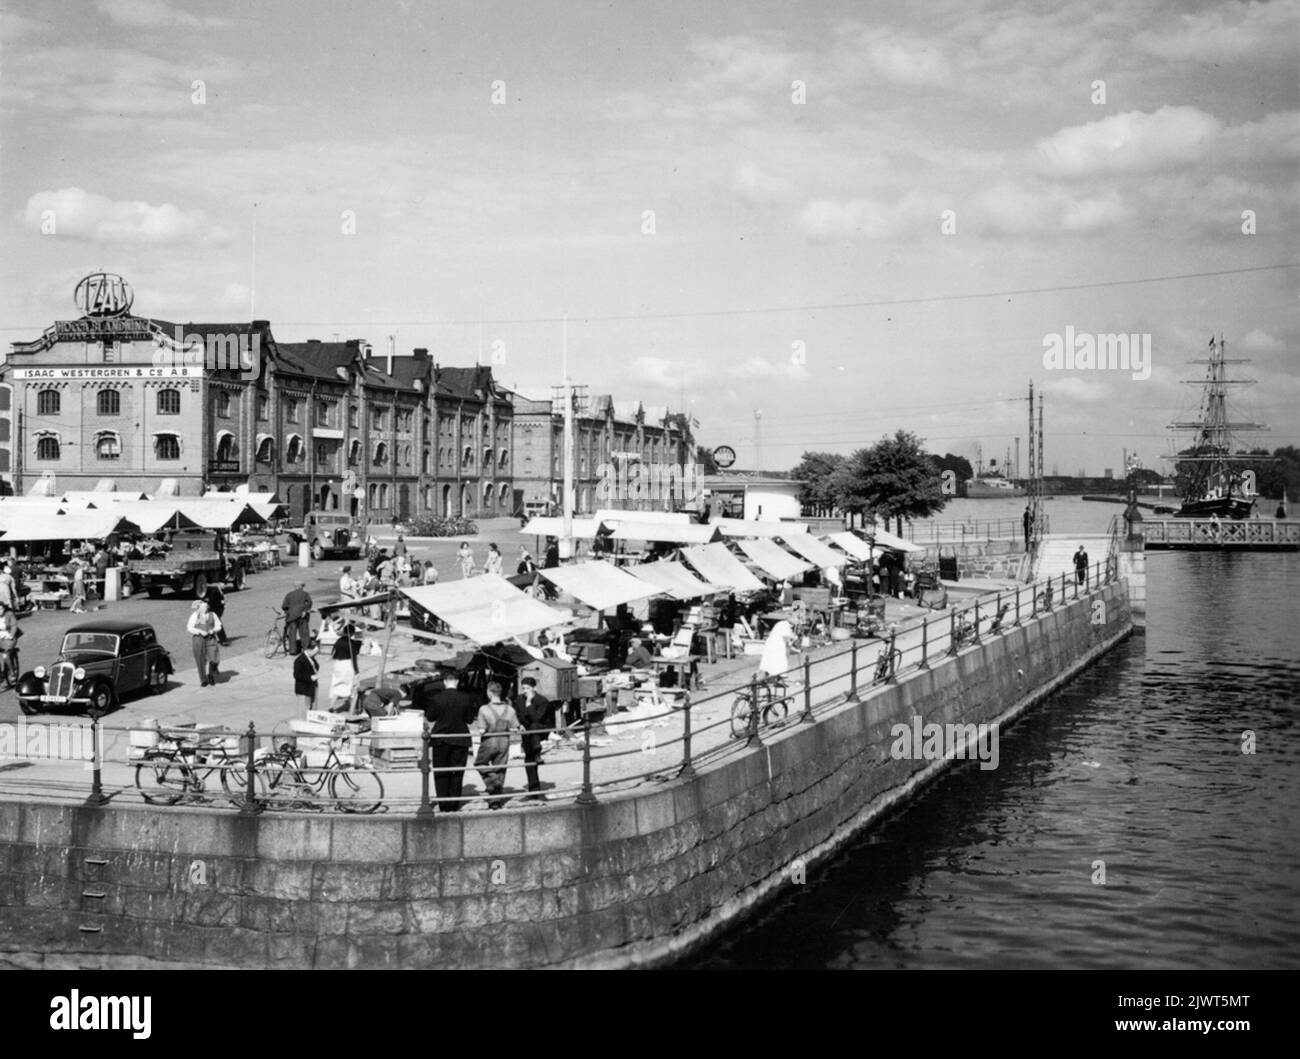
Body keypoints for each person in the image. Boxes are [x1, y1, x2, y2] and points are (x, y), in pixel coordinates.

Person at [416, 669, 481, 812]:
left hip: (441, 738)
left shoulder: (436, 698)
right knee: (457, 772)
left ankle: (444, 803)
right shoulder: (466, 698)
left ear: (445, 682)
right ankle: (454, 804)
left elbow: (431, 717)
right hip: (460, 738)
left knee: (441, 771)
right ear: (457, 682)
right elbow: (470, 720)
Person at [473, 681, 520, 810]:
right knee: (500, 769)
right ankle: (496, 802)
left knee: (480, 763)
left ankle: (493, 779)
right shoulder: (510, 709)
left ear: (489, 693)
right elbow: (515, 728)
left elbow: (482, 730)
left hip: (489, 740)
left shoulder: (484, 709)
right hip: (504, 741)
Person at [514, 676, 553, 800]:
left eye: (528, 688)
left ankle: (537, 750)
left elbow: (537, 718)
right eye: (523, 688)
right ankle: (534, 789)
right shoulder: (519, 699)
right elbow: (518, 715)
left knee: (534, 726)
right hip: (527, 733)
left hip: (539, 731)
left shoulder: (542, 701)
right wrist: (519, 725)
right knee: (529, 760)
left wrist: (529, 704)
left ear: (534, 688)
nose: (525, 691)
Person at [186, 599, 222, 687]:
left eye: (205, 606)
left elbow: (218, 626)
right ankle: (203, 679)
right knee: (200, 659)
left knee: (214, 657)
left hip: (210, 638)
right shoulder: (196, 615)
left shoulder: (212, 615)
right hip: (199, 639)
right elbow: (189, 627)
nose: (204, 608)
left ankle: (211, 674)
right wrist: (199, 631)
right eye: (202, 607)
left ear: (208, 607)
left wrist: (213, 630)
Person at [328, 623, 363, 712]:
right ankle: (352, 710)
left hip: (337, 664)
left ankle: (331, 706)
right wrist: (357, 671)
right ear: (352, 633)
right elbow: (354, 658)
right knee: (352, 687)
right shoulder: (352, 644)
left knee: (337, 685)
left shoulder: (338, 641)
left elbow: (333, 653)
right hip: (347, 665)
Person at [281, 581, 312, 655]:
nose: (303, 588)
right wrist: (305, 610)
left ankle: (292, 651)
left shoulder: (289, 595)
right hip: (302, 615)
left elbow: (284, 606)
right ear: (300, 587)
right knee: (304, 632)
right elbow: (310, 602)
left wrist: (288, 611)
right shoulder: (305, 594)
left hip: (292, 617)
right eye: (302, 586)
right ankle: (305, 649)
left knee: (292, 634)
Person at [294, 638, 320, 712]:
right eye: (315, 652)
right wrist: (310, 677)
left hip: (312, 686)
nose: (316, 654)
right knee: (304, 708)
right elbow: (297, 675)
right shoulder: (299, 660)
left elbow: (316, 667)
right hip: (304, 688)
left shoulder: (311, 658)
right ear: (308, 650)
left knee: (313, 706)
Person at [204, 581, 230, 646]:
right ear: (219, 584)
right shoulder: (214, 591)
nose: (224, 585)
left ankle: (212, 640)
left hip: (217, 610)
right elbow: (210, 601)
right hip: (214, 610)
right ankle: (223, 640)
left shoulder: (219, 591)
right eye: (223, 584)